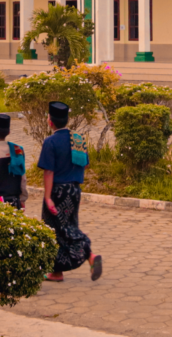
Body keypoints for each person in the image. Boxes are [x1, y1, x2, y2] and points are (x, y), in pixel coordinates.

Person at [38, 101, 102, 282]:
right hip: (74, 190)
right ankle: (57, 272)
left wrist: (48, 197)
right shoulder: (77, 138)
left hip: (57, 191)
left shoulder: (50, 142)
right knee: (68, 226)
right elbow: (86, 163)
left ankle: (88, 255)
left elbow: (48, 171)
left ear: (50, 122)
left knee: (55, 230)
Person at [0, 113, 28, 209]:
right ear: (9, 132)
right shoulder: (18, 149)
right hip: (16, 202)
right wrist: (22, 199)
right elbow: (22, 178)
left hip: (0, 203)